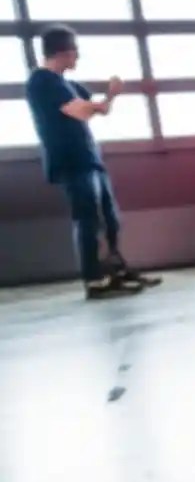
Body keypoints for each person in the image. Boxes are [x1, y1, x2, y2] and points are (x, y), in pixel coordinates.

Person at [25, 24, 161, 300]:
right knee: (88, 219)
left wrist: (111, 96)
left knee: (110, 218)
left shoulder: (69, 84)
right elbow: (82, 112)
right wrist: (102, 101)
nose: (78, 58)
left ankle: (115, 271)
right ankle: (95, 280)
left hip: (89, 159)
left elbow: (100, 109)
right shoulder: (42, 81)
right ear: (63, 52)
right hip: (71, 160)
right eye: (75, 52)